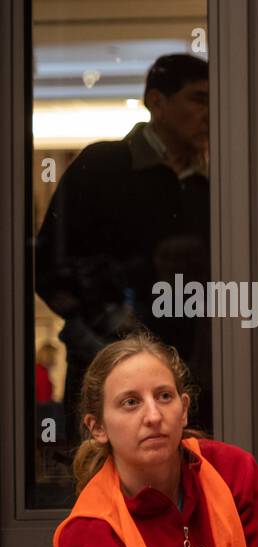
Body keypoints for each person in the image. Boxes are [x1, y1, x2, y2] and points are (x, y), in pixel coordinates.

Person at [35, 53, 213, 440]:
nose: (210, 114)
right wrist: (102, 338)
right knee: (103, 490)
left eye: (216, 103)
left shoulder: (218, 181)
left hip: (199, 381)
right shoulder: (102, 167)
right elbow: (49, 267)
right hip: (109, 373)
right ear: (157, 103)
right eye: (199, 100)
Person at [44, 334, 258, 547]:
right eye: (131, 402)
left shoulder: (233, 471)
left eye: (164, 396)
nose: (154, 416)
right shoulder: (89, 536)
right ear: (98, 428)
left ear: (183, 410)